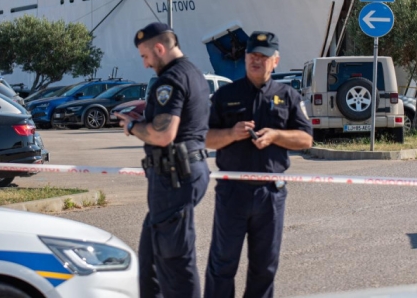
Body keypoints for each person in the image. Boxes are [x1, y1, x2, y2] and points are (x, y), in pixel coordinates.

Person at [204, 31, 313, 298]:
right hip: (233, 193)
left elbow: (306, 139)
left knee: (264, 266)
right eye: (252, 55)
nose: (256, 60)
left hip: (269, 194)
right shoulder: (225, 95)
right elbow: (205, 137)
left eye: (263, 56)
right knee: (222, 264)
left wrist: (276, 136)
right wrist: (231, 133)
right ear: (245, 57)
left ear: (275, 61)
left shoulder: (288, 96)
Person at [120, 22, 211, 298]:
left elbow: (163, 135)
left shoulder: (170, 79)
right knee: (151, 265)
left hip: (175, 177)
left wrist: (132, 128)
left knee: (174, 264)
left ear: (159, 48)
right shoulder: (192, 73)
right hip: (176, 175)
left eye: (145, 56)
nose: (146, 64)